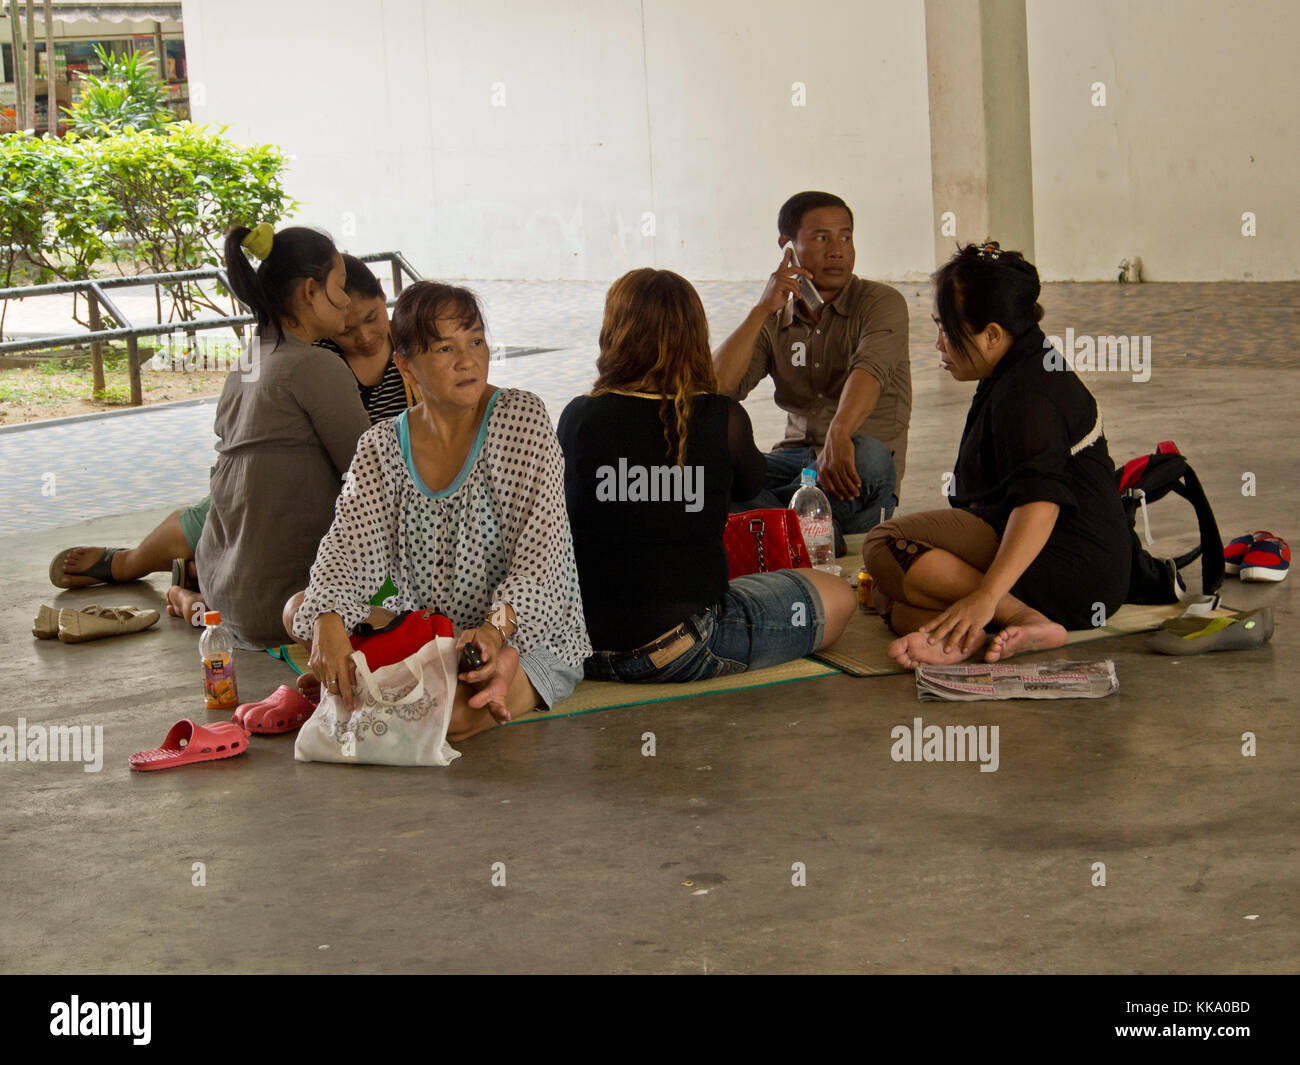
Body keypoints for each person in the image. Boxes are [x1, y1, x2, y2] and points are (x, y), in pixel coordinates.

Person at [287, 281, 590, 741]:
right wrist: (329, 621)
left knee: (454, 720)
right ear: (406, 365)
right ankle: (384, 679)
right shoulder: (382, 446)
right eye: (445, 348)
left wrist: (493, 634)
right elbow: (347, 550)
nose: (468, 360)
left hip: (526, 636)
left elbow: (543, 565)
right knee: (301, 610)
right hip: (430, 634)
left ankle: (378, 684)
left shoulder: (520, 419)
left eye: (475, 341)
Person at [47, 254, 411, 598]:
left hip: (389, 482)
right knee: (220, 511)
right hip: (314, 484)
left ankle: (200, 572)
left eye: (372, 318)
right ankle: (130, 562)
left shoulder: (412, 348)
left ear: (383, 292)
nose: (363, 336)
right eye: (348, 330)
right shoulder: (314, 358)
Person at [558, 268, 855, 683]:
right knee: (838, 595)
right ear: (697, 337)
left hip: (583, 647)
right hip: (680, 645)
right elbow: (751, 486)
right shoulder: (721, 417)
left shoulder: (577, 416)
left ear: (613, 333)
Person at [863, 242, 1132, 668]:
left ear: (992, 335)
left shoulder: (1028, 394)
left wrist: (987, 597)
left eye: (947, 330)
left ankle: (1018, 615)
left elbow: (1040, 503)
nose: (938, 344)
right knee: (895, 603)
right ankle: (975, 636)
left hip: (1072, 569)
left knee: (884, 544)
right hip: (1073, 567)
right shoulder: (1021, 361)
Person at [178, 223, 371, 649]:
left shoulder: (249, 360)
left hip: (223, 594)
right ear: (309, 291)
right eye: (340, 286)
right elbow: (373, 475)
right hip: (285, 611)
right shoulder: (315, 366)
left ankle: (189, 596)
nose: (348, 301)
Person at [712, 190, 911, 544]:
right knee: (709, 451)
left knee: (870, 456)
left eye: (846, 237)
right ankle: (808, 528)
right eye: (822, 238)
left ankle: (769, 520)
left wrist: (840, 430)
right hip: (794, 465)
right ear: (787, 246)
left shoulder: (881, 303)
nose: (838, 250)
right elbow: (714, 390)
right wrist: (760, 311)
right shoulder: (774, 319)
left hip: (853, 466)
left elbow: (870, 370)